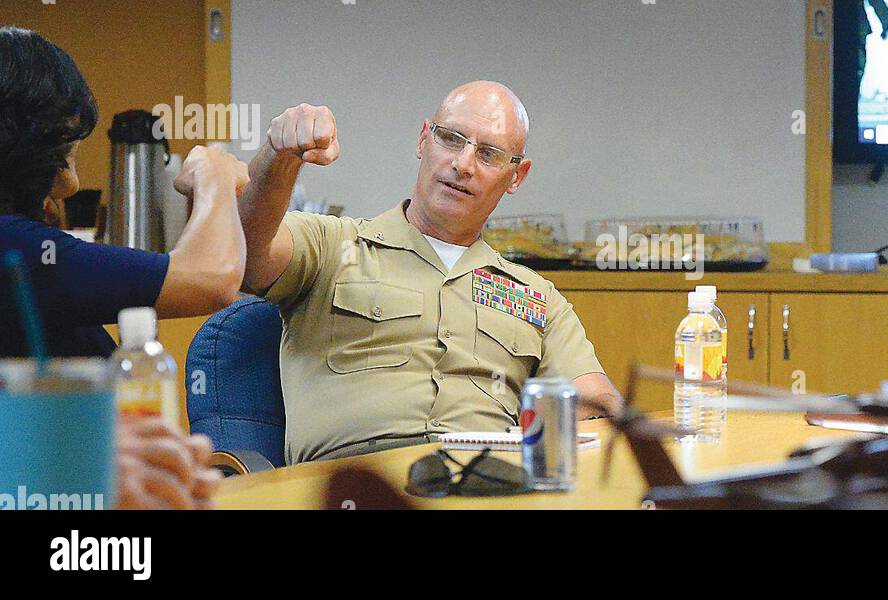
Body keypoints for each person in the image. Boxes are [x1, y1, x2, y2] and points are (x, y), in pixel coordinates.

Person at [238, 82, 624, 464]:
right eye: (452, 139)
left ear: (516, 176)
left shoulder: (535, 296)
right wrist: (278, 156)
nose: (463, 164)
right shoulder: (332, 245)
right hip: (354, 484)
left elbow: (598, 405)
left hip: (489, 483)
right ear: (424, 140)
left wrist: (550, 437)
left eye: (488, 154)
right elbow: (242, 254)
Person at [0, 27, 242, 508]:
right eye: (65, 152)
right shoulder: (15, 247)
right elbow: (211, 279)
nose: (70, 180)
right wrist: (215, 174)